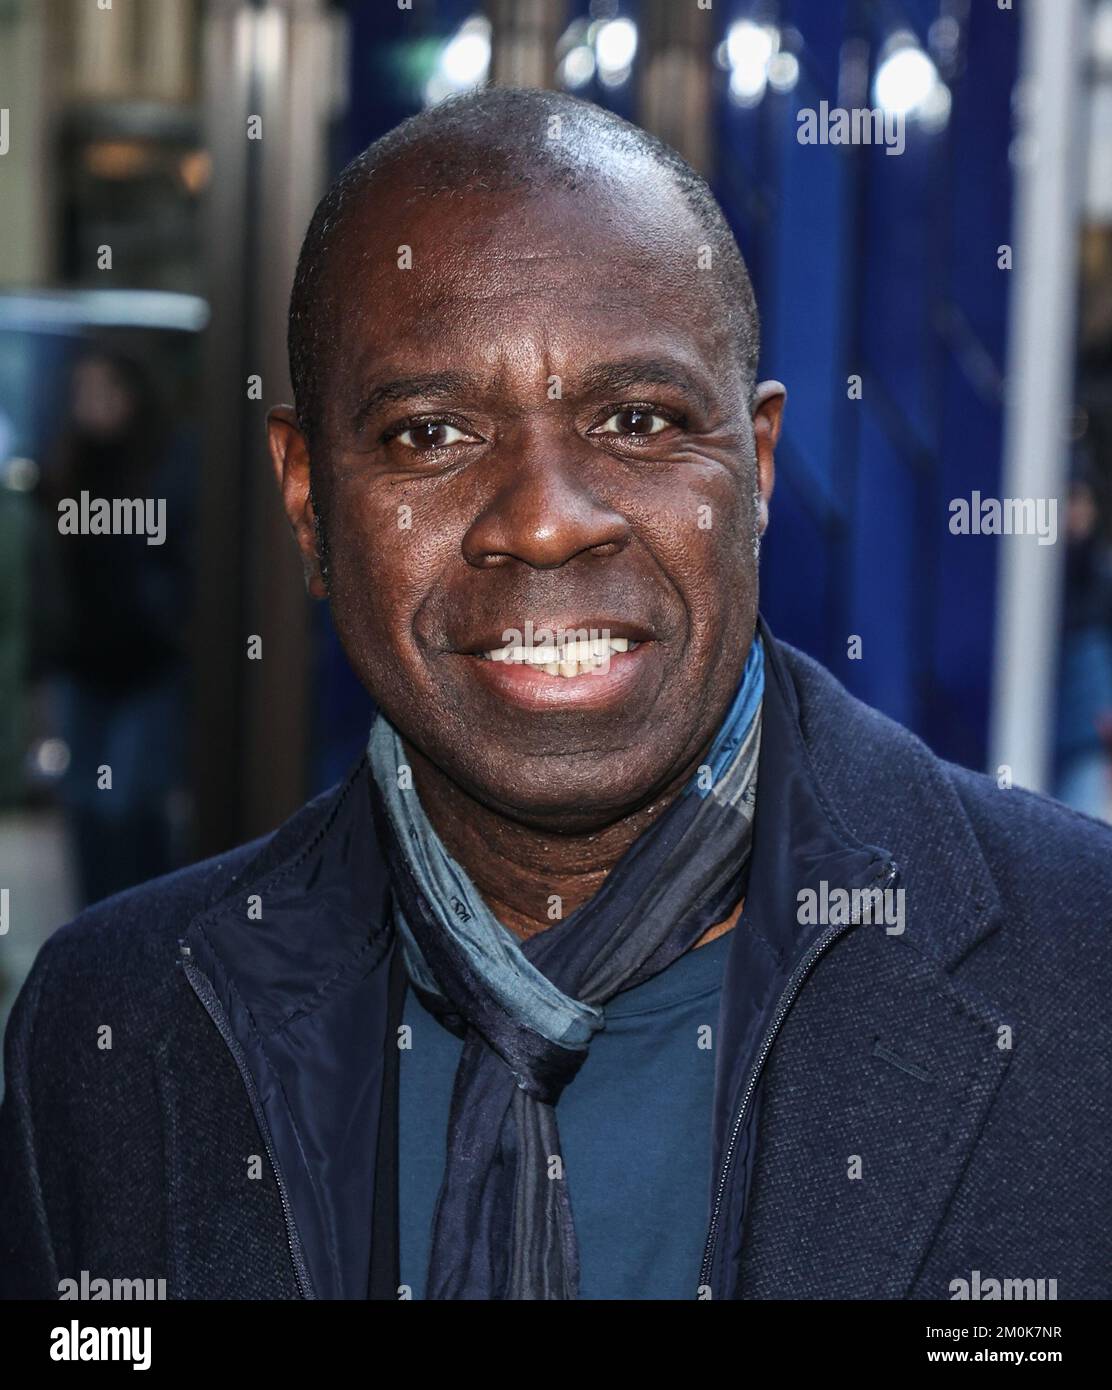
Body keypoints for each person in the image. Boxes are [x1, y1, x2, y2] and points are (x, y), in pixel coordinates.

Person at [2, 89, 1109, 1301]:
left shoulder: (1079, 970)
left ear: (757, 468)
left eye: (636, 420)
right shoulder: (105, 1023)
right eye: (429, 434)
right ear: (309, 500)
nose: (541, 519)